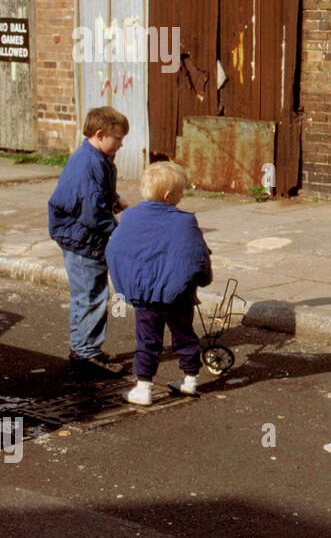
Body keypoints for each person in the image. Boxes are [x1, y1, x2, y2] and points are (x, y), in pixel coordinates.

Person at [105, 162, 213, 406]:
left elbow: (115, 250)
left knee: (147, 340)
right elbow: (197, 255)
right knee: (185, 335)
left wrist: (125, 286)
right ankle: (189, 380)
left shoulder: (130, 216)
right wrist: (204, 278)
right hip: (179, 295)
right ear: (168, 195)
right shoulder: (185, 221)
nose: (183, 196)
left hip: (145, 296)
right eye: (181, 191)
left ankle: (143, 388)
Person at [47, 106, 128, 376]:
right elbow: (90, 209)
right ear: (100, 134)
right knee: (91, 295)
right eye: (118, 138)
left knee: (88, 293)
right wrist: (116, 231)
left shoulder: (96, 158)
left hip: (82, 235)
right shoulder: (88, 163)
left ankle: (84, 346)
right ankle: (85, 354)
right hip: (82, 239)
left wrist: (115, 201)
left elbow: (100, 194)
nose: (121, 143)